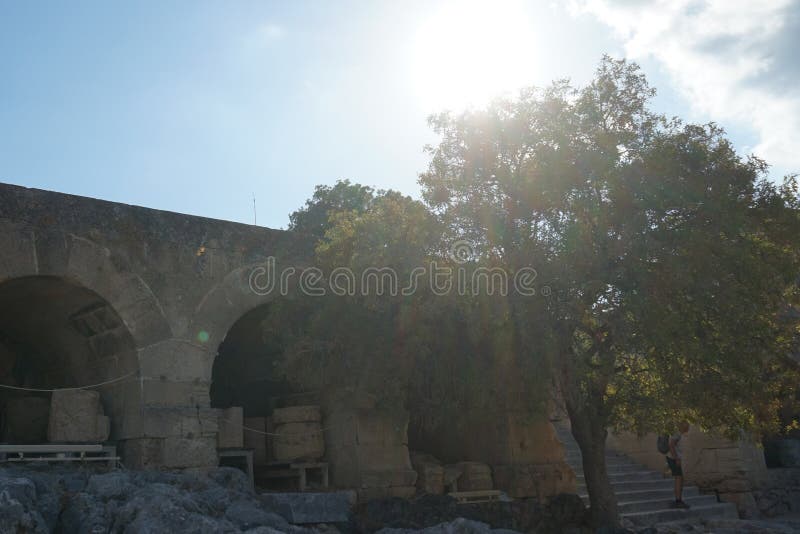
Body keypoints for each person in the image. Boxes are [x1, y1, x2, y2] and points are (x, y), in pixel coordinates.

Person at [666, 421, 691, 508]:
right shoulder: (677, 434)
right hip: (673, 459)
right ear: (683, 425)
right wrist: (676, 458)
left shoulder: (678, 434)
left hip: (673, 458)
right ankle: (678, 501)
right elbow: (671, 445)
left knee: (680, 478)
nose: (689, 426)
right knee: (679, 478)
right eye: (687, 424)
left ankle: (679, 499)